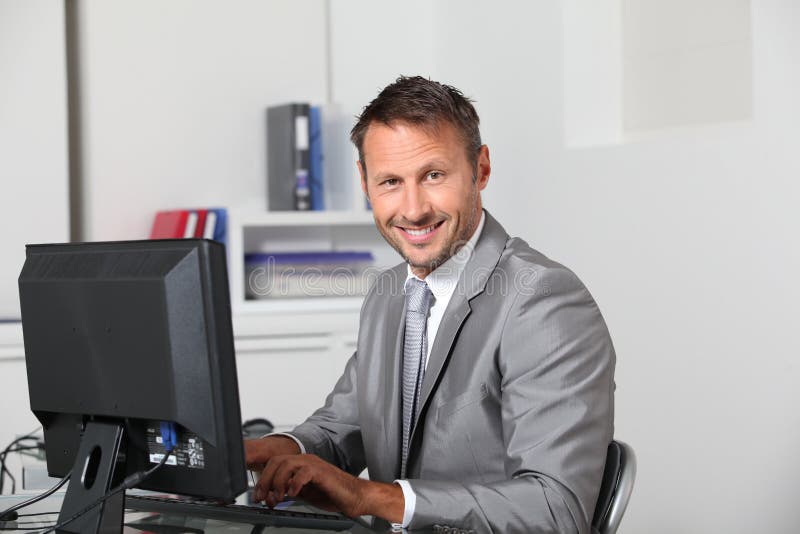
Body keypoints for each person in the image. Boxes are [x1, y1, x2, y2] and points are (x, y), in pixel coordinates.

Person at [245, 76, 615, 533]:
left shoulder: (544, 301)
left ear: (480, 169)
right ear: (365, 183)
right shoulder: (388, 295)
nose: (414, 208)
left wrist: (369, 496)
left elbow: (556, 510)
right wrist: (273, 449)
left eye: (433, 175)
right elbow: (343, 426)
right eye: (390, 182)